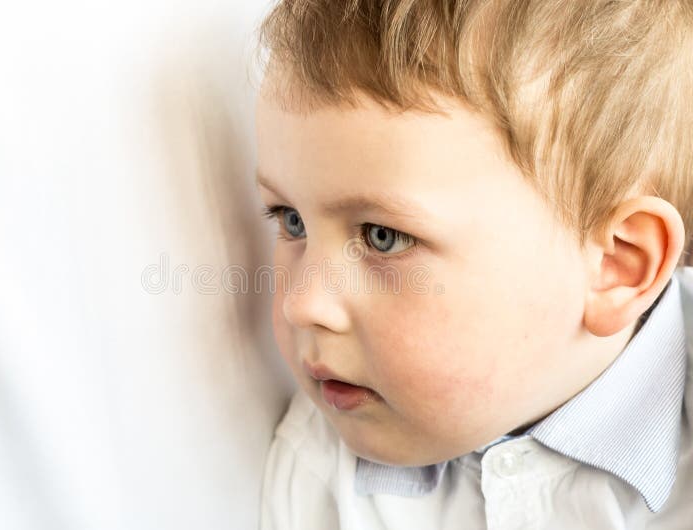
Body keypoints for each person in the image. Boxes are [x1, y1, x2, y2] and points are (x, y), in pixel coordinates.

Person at [252, 1, 693, 528]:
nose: (302, 305)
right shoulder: (318, 468)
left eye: (383, 237)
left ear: (617, 266)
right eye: (292, 221)